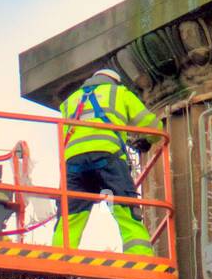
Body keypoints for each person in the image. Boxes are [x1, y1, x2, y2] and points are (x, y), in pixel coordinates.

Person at [52, 68, 159, 255]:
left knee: (69, 217)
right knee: (125, 210)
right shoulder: (119, 93)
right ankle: (140, 258)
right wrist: (148, 140)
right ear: (115, 81)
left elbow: (63, 140)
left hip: (74, 164)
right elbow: (152, 125)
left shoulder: (69, 102)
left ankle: (57, 260)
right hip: (107, 158)